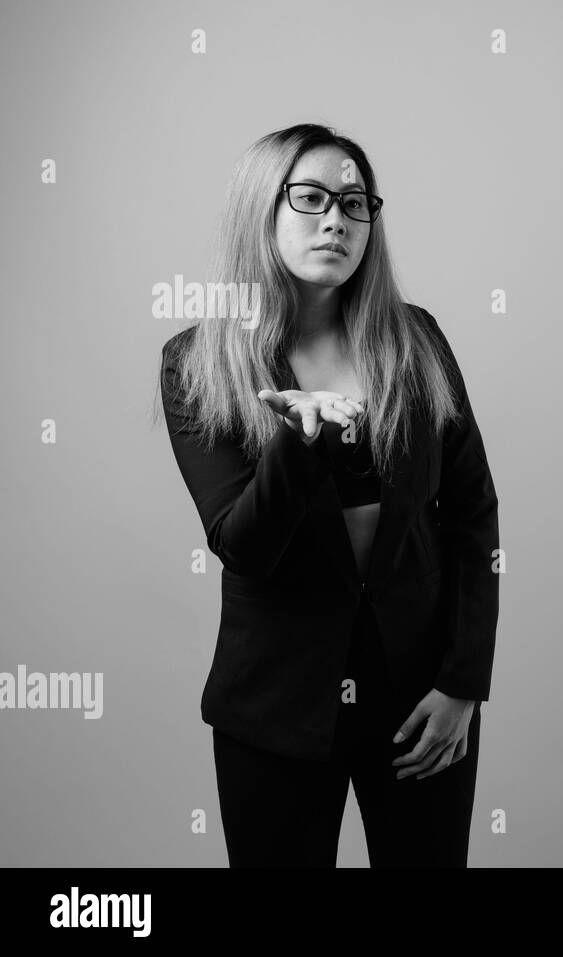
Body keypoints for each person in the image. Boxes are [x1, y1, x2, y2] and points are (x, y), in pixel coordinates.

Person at [156, 123, 499, 867]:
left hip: (420, 702)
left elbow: (473, 515)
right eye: (309, 198)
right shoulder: (196, 362)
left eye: (354, 202)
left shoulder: (418, 342)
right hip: (276, 707)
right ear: (262, 210)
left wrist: (464, 683)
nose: (336, 220)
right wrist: (298, 443)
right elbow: (240, 543)